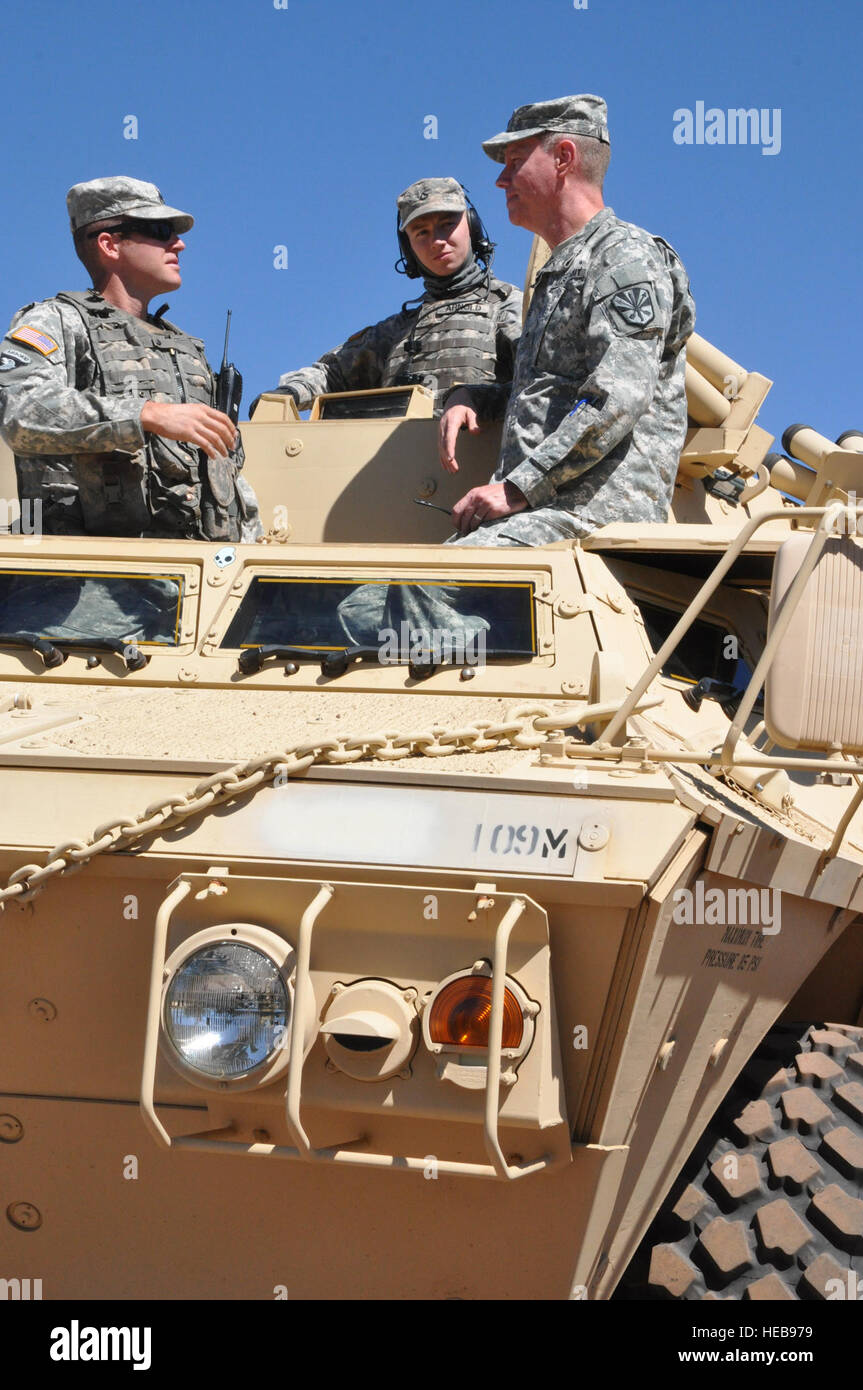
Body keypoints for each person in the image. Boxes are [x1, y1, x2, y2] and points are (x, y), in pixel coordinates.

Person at [438, 95, 695, 546]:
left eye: (515, 160)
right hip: (541, 514)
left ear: (564, 158)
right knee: (373, 600)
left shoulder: (623, 257)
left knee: (411, 591)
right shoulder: (560, 271)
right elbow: (554, 390)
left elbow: (618, 395)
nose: (501, 180)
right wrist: (478, 398)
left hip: (592, 517)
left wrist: (518, 487)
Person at [0, 176, 259, 541]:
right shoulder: (58, 321)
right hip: (84, 572)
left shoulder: (184, 348)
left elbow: (227, 475)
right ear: (109, 244)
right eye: (160, 230)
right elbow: (20, 412)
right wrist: (145, 415)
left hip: (195, 571)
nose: (179, 244)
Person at [261, 178, 522, 415]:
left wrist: (477, 399)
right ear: (408, 248)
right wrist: (290, 393)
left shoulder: (508, 307)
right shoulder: (396, 331)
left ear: (472, 227)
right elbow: (332, 373)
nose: (437, 241)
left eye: (447, 225)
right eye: (421, 232)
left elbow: (543, 383)